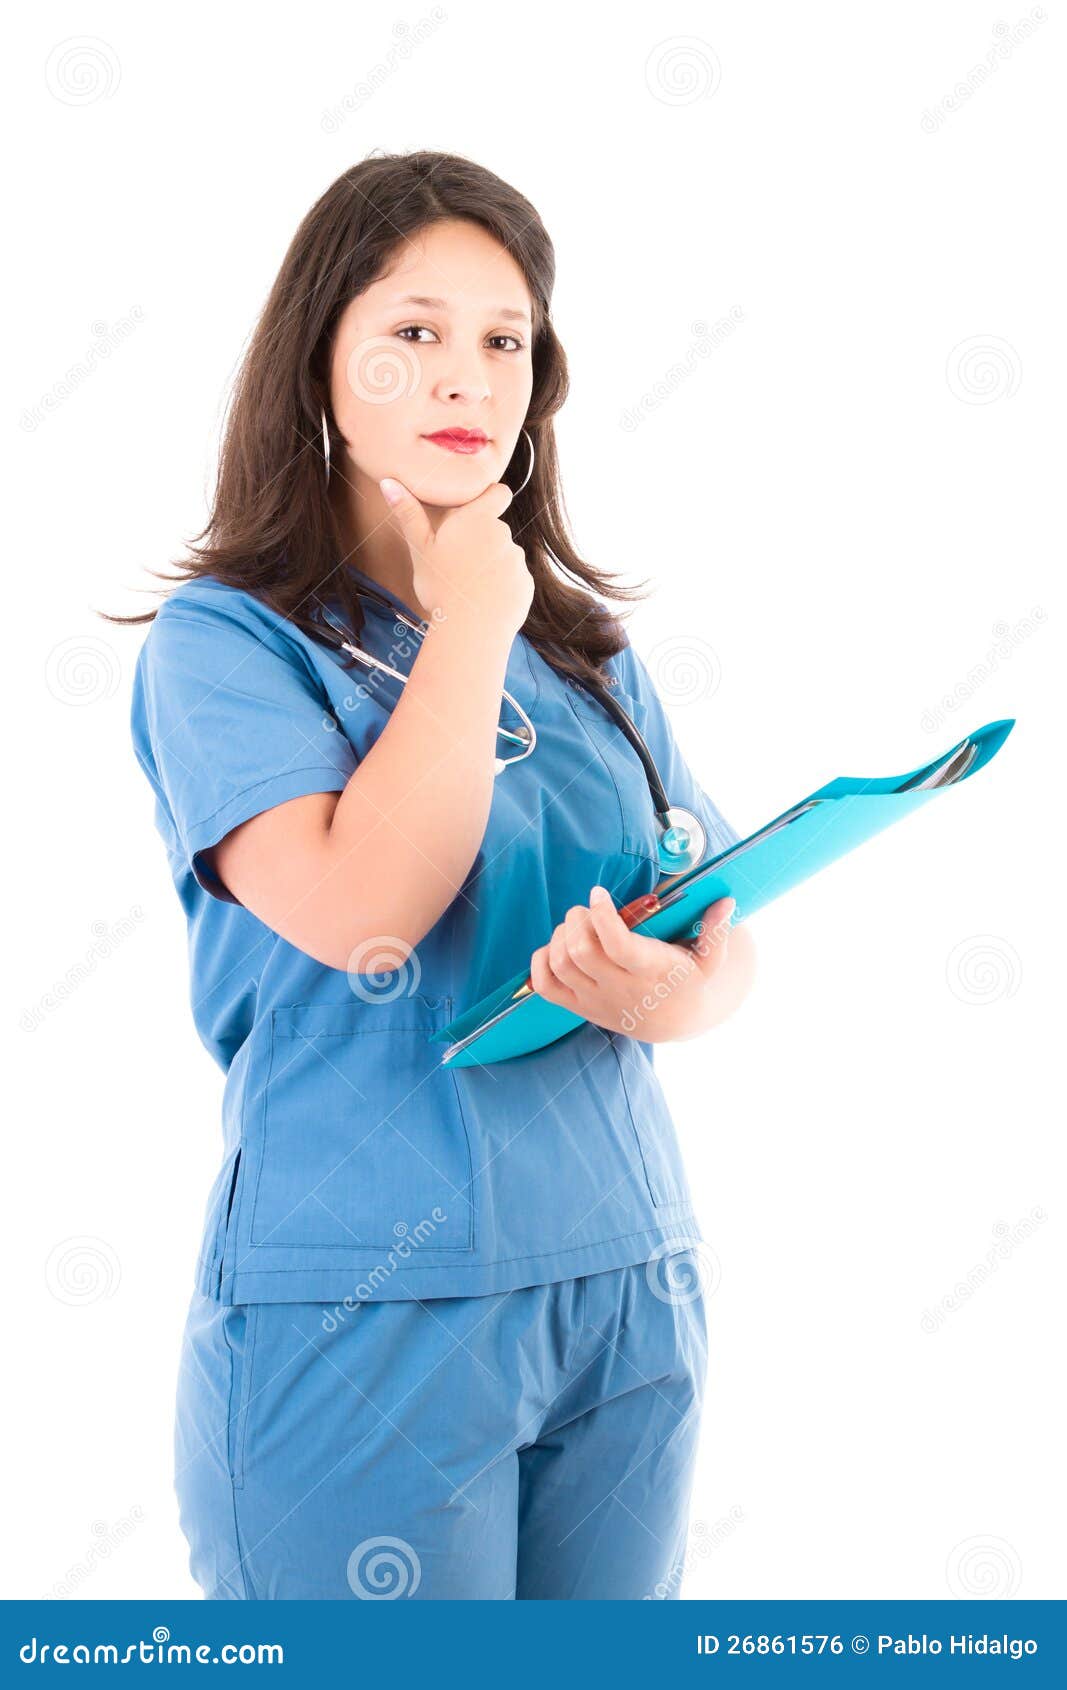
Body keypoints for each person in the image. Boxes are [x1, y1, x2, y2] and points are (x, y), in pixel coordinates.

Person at [117, 150, 757, 1601]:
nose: (468, 376)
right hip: (365, 1305)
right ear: (317, 366)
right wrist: (471, 609)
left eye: (503, 341)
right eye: (414, 334)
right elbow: (368, 911)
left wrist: (679, 991)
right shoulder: (229, 647)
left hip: (627, 1289)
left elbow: (717, 906)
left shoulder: (585, 651)